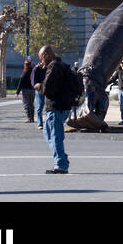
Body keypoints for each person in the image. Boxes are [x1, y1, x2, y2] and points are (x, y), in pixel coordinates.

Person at [38, 44, 74, 173]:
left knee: (55, 136)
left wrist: (39, 86)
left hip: (56, 107)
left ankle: (61, 164)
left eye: (41, 58)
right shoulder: (62, 65)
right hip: (63, 106)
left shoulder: (53, 67)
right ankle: (62, 158)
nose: (41, 62)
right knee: (48, 132)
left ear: (46, 55)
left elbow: (48, 88)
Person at [31, 56, 46, 127]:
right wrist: (37, 86)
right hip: (39, 89)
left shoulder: (46, 68)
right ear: (41, 61)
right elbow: (33, 81)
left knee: (48, 107)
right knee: (39, 106)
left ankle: (46, 123)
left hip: (46, 88)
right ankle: (40, 123)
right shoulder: (36, 69)